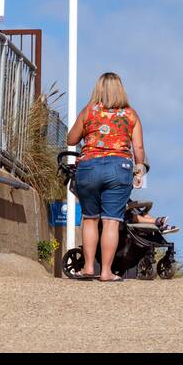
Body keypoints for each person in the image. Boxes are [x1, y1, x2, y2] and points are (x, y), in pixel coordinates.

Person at [65, 72, 146, 282]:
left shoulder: (88, 111)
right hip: (119, 168)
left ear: (98, 89)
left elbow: (71, 139)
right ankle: (107, 272)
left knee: (90, 219)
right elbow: (138, 147)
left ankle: (89, 267)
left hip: (89, 167)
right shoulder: (130, 115)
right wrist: (139, 170)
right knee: (111, 221)